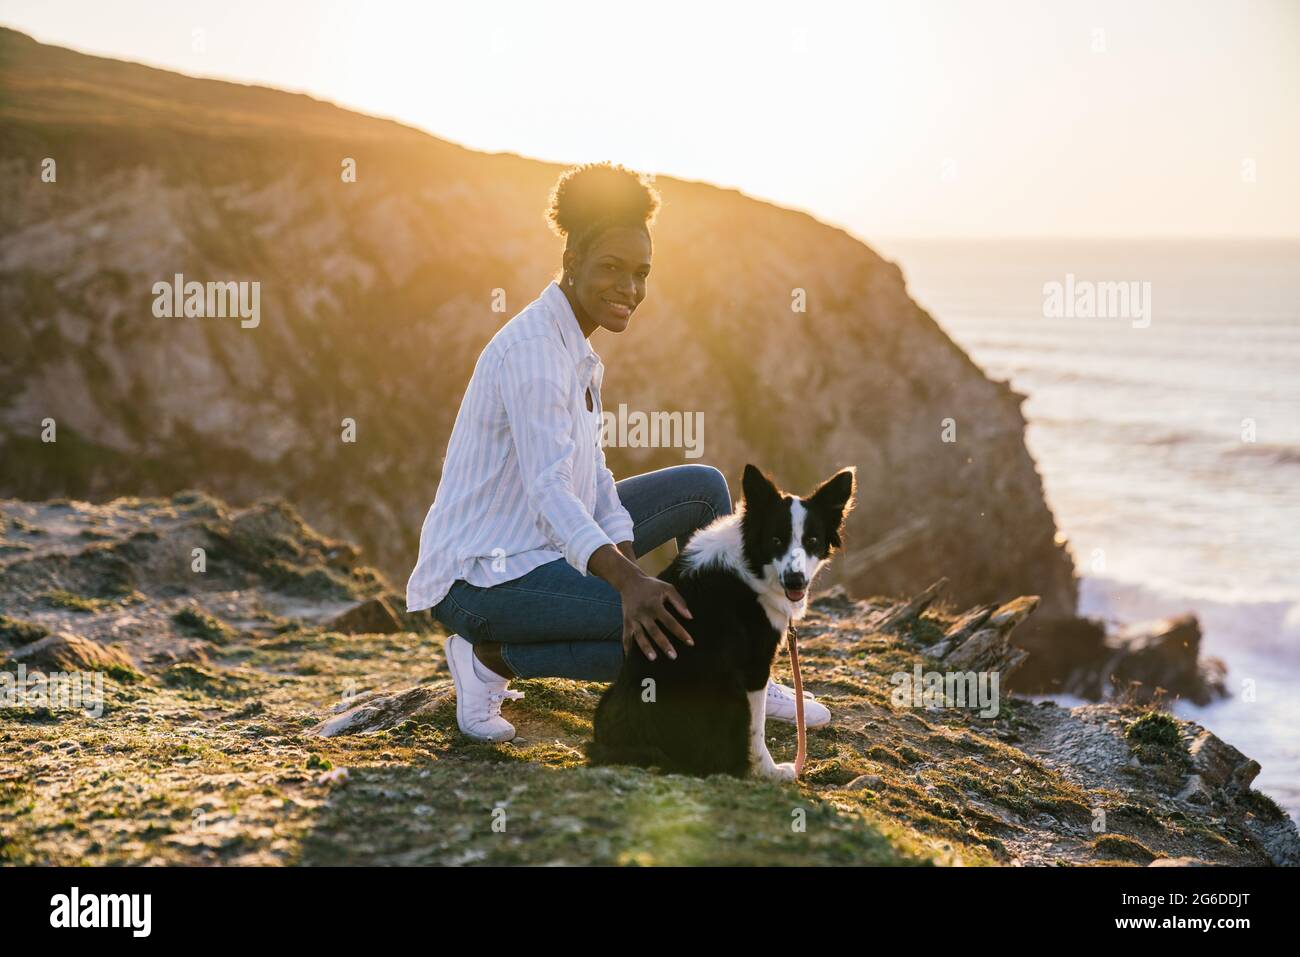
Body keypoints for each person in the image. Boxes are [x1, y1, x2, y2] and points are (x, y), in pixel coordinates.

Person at [406, 161, 829, 741]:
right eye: (611, 268)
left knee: (703, 488)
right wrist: (630, 587)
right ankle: (488, 661)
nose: (629, 289)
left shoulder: (573, 344)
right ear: (571, 262)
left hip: (542, 544)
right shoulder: (535, 354)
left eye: (641, 273)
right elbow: (551, 490)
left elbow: (595, 477)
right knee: (679, 636)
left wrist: (628, 567)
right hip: (481, 579)